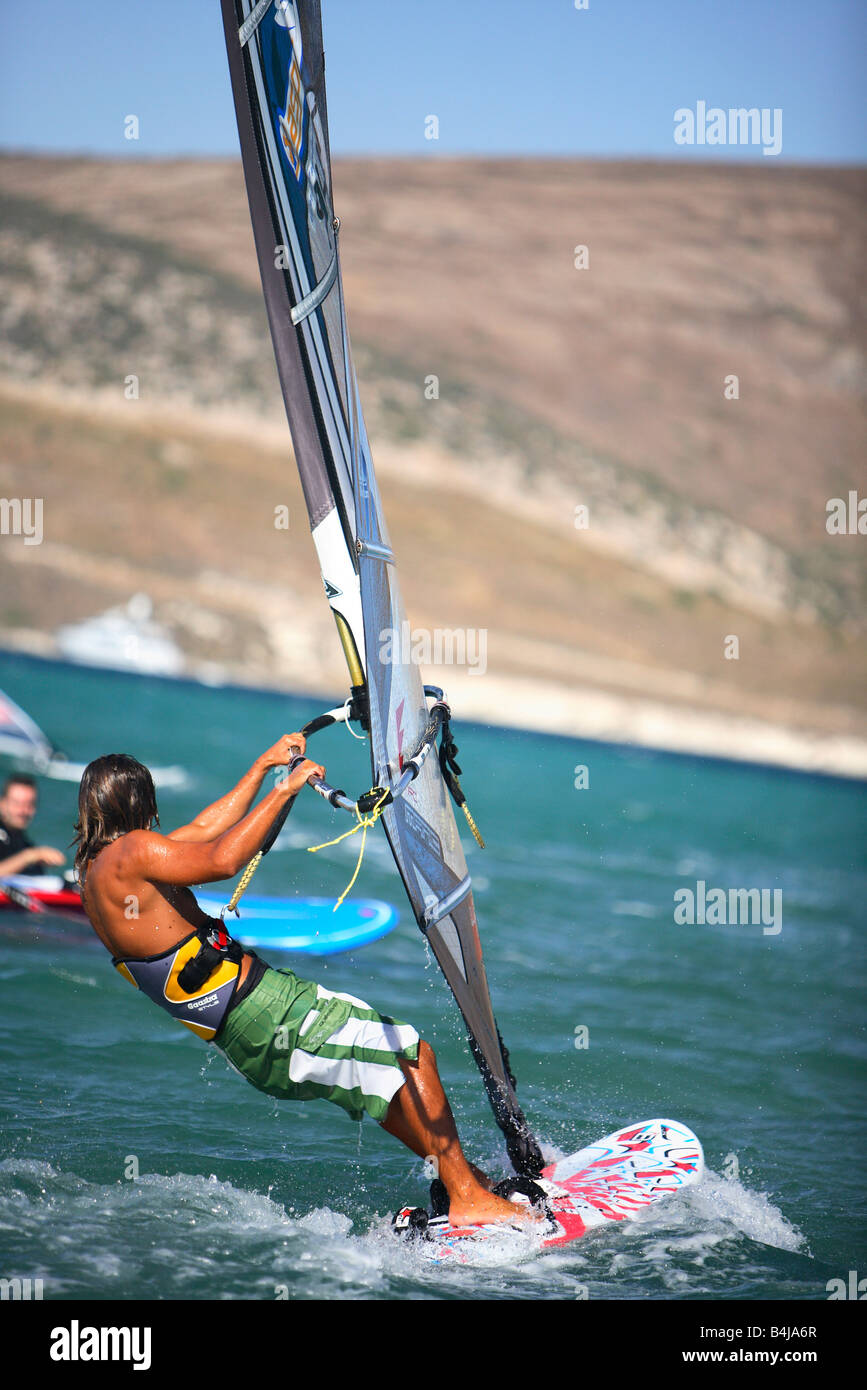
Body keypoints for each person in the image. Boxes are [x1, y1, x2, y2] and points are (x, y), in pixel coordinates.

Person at [74, 739, 530, 1228]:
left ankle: (462, 1179)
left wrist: (262, 765)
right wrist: (286, 787)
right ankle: (468, 1198)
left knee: (376, 1079)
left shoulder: (98, 873)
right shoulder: (134, 851)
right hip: (265, 1013)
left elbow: (207, 828)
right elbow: (223, 859)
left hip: (244, 1031)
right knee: (411, 1052)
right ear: (141, 802)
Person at [0, 772, 66, 877]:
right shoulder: (29, 852)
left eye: (30, 805)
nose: (23, 811)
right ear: (2, 803)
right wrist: (30, 856)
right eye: (17, 803)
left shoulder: (23, 843)